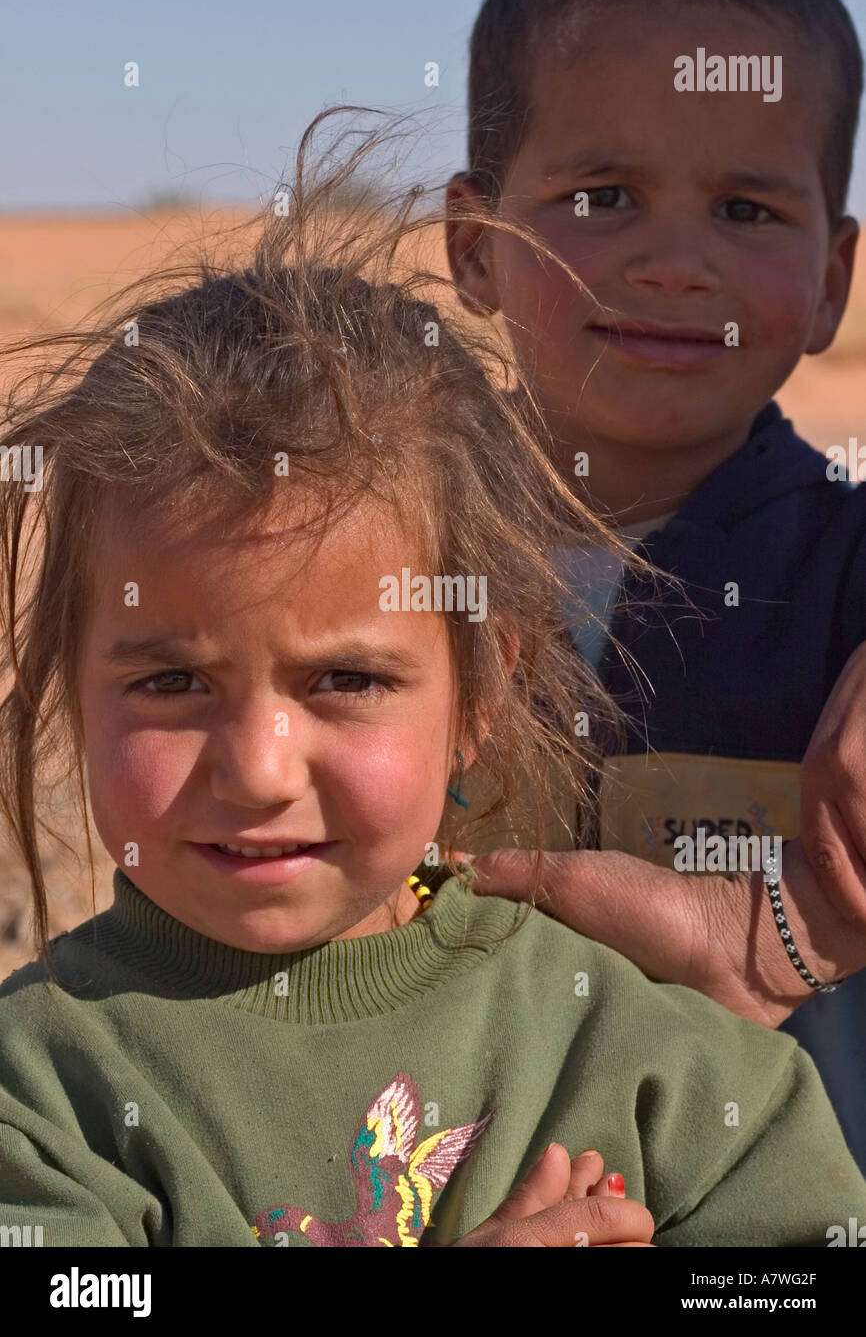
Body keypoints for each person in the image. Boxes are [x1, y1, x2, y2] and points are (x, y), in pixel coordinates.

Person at [1, 117, 863, 1248]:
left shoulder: (642, 1055)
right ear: (70, 677)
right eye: (171, 683)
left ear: (483, 692)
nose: (257, 769)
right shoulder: (46, 1088)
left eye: (345, 679)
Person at [443, 0, 866, 1174]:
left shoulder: (841, 567)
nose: (673, 262)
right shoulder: (374, 545)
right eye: (601, 195)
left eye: (743, 209)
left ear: (833, 279)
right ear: (473, 243)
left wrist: (782, 932)